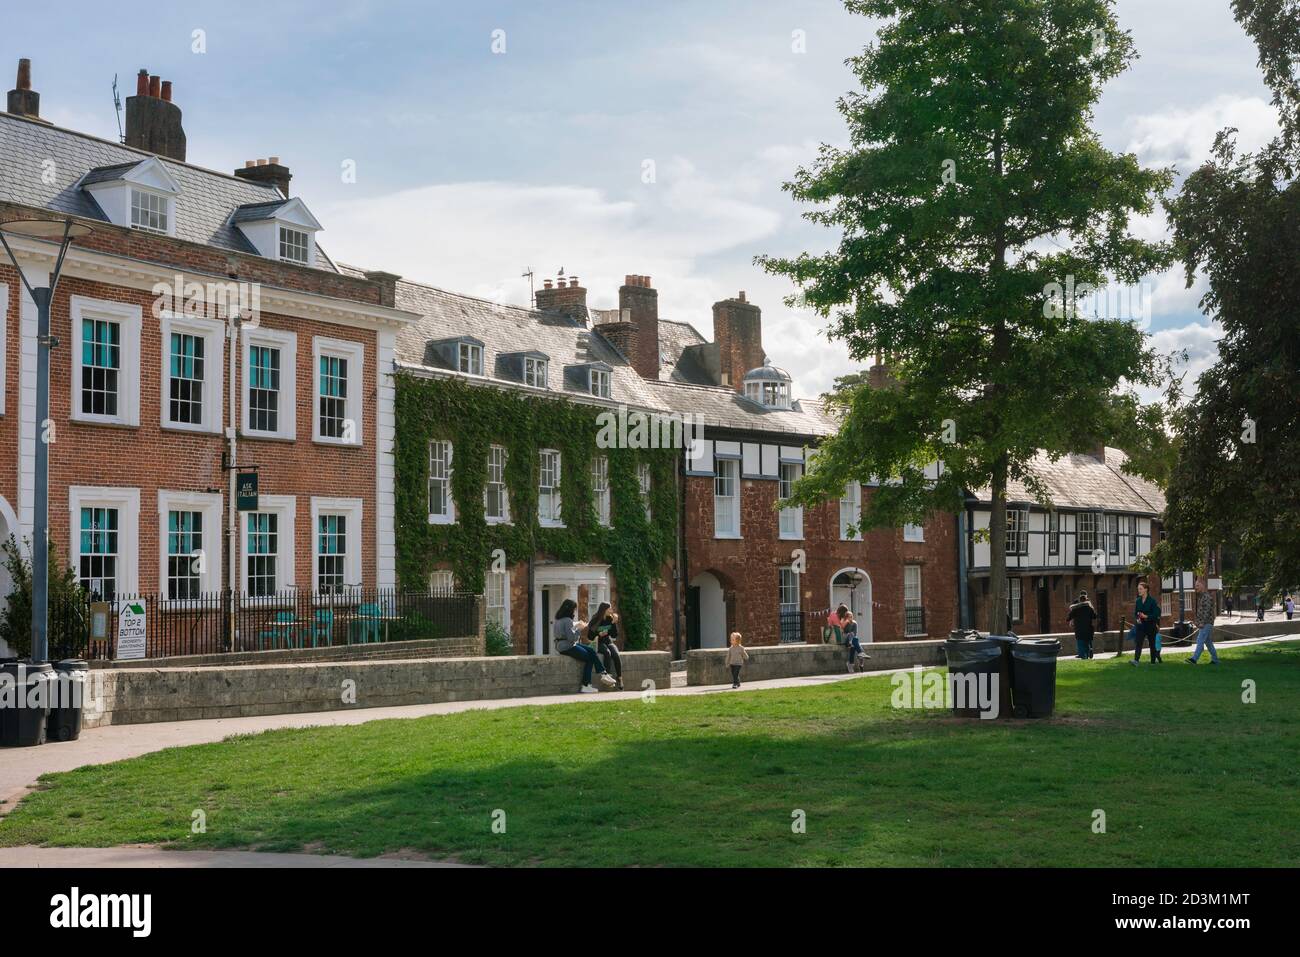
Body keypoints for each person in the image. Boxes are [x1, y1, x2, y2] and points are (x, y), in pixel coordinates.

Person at [553, 599, 616, 693]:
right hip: (567, 646)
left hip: (561, 645)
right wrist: (580, 629)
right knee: (590, 658)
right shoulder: (567, 620)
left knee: (591, 651)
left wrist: (575, 627)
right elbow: (572, 638)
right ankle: (587, 684)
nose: (574, 611)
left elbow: (566, 634)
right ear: (570, 609)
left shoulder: (558, 620)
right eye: (574, 609)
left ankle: (603, 674)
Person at [586, 601, 623, 691]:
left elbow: (614, 635)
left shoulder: (610, 619)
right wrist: (599, 634)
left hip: (608, 641)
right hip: (598, 642)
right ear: (604, 610)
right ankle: (607, 676)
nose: (611, 610)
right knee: (607, 652)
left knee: (616, 654)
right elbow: (589, 636)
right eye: (609, 608)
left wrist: (614, 623)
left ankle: (620, 678)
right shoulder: (596, 619)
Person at [1188, 577, 1219, 666]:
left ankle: (1194, 659)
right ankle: (1215, 660)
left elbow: (1207, 611)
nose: (1196, 587)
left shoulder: (1207, 597)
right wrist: (1197, 621)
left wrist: (1202, 622)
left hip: (1206, 623)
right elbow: (1201, 612)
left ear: (1202, 585)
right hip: (1204, 623)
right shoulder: (1201, 597)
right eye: (1195, 586)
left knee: (1200, 640)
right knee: (1208, 642)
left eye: (1197, 585)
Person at [1131, 580, 1162, 665]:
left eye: (1140, 589)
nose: (1139, 591)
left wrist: (1147, 616)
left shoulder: (1152, 601)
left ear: (1146, 589)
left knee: (1152, 644)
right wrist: (1138, 618)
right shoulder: (1138, 601)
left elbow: (1156, 614)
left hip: (1151, 625)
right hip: (1141, 625)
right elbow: (1136, 613)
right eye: (1138, 589)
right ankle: (1136, 660)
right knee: (1138, 643)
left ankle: (1153, 662)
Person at [1067, 590, 1097, 659]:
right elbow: (1094, 616)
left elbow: (1068, 618)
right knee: (1088, 641)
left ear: (1080, 600)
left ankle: (1083, 655)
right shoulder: (1089, 607)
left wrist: (1071, 619)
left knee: (1080, 642)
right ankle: (1089, 652)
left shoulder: (1075, 608)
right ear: (1086, 599)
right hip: (1088, 628)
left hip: (1079, 629)